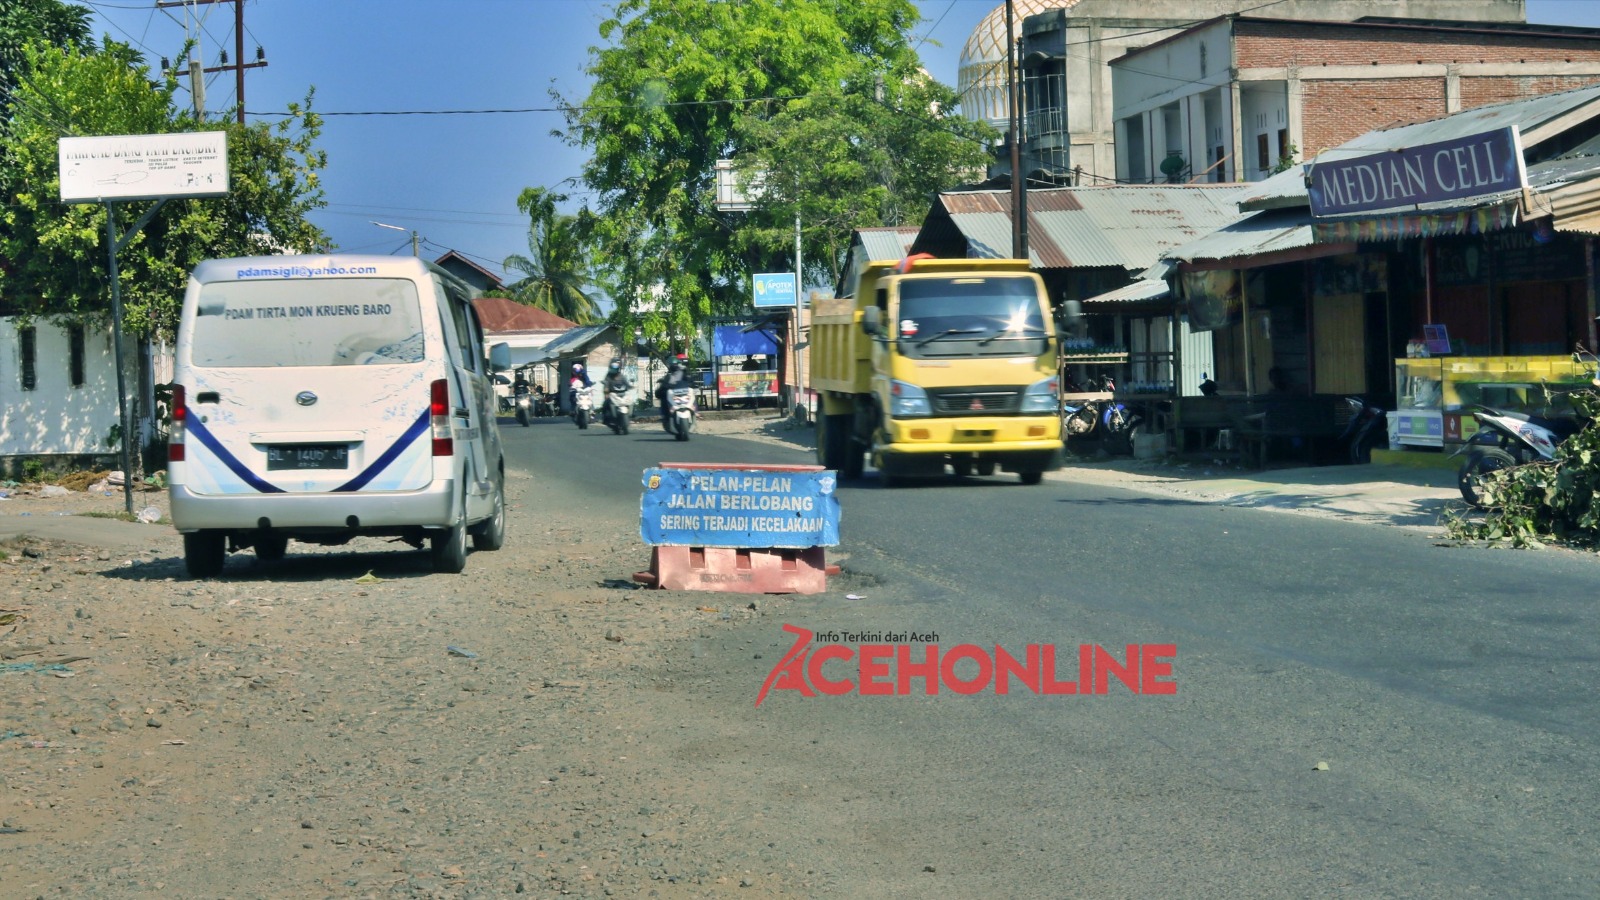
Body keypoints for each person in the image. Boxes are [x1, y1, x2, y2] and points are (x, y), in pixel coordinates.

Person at [656, 358, 691, 430]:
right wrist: (662, 388)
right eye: (672, 364)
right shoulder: (668, 376)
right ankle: (666, 417)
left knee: (692, 396)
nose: (674, 366)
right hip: (674, 398)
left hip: (684, 396)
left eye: (675, 364)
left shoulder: (683, 373)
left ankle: (695, 412)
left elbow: (690, 382)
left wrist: (692, 385)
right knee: (663, 399)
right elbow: (660, 390)